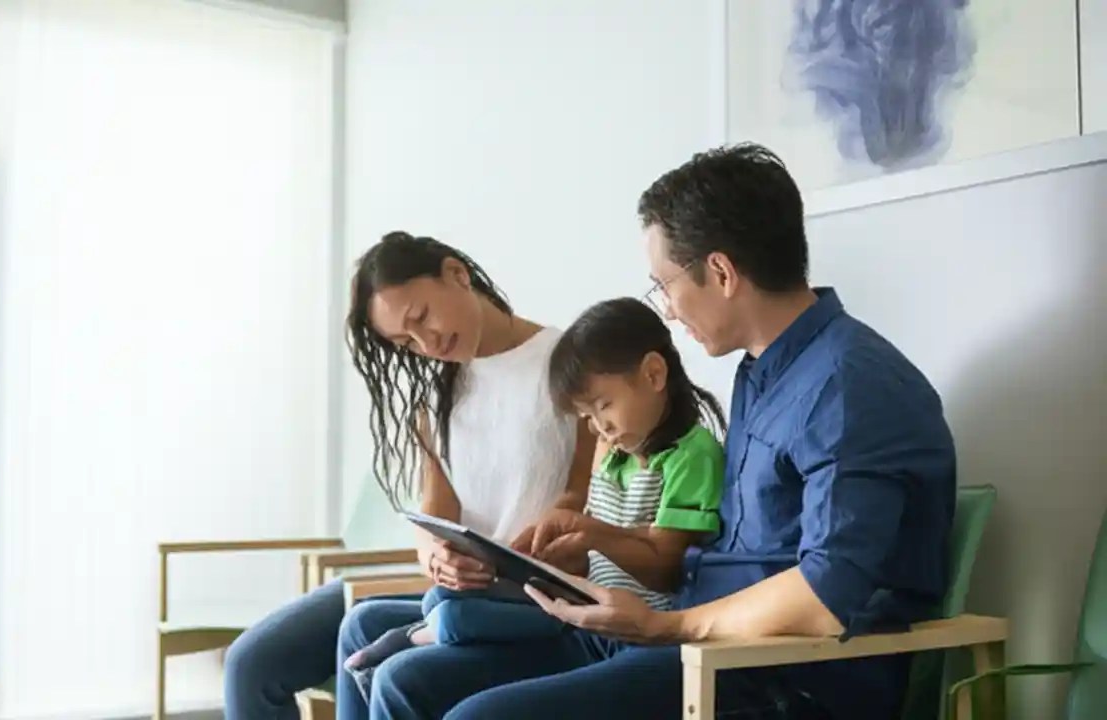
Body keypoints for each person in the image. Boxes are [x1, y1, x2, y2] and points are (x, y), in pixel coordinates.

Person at [336, 143, 957, 720]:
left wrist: (664, 627)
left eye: (665, 284)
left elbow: (824, 598)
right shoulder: (763, 374)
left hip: (776, 676)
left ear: (720, 273)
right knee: (411, 684)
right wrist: (607, 561)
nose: (665, 307)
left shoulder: (847, 385)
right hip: (687, 638)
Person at [223, 231, 595, 719]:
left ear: (456, 275)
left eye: (421, 317)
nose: (427, 343)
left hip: (521, 600)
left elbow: (584, 497)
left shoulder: (572, 363)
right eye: (406, 341)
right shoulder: (439, 394)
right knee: (250, 663)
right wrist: (437, 556)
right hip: (452, 591)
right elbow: (433, 514)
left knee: (370, 632)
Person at [340, 297, 726, 698]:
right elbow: (602, 553)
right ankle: (424, 631)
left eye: (604, 406)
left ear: (654, 374)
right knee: (443, 598)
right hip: (582, 612)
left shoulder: (693, 455)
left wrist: (591, 534)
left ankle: (423, 633)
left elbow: (665, 569)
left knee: (452, 617)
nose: (598, 427)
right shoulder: (616, 453)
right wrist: (558, 556)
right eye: (587, 417)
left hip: (625, 629)